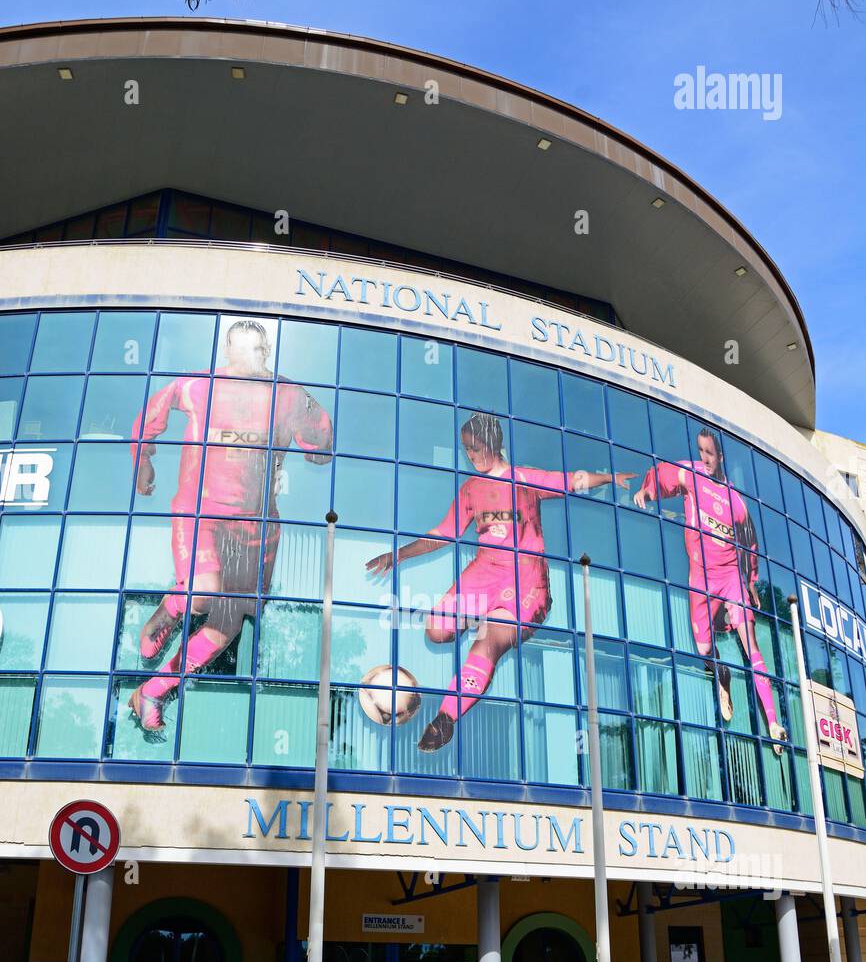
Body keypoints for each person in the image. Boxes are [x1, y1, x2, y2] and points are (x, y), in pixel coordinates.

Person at [366, 411, 633, 751]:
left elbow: (570, 479)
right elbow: (443, 534)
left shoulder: (525, 479)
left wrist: (609, 477)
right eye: (466, 450)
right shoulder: (471, 490)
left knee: (488, 641)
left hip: (524, 581)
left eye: (475, 448)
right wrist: (398, 555)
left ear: (494, 443)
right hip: (483, 573)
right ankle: (477, 619)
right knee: (435, 629)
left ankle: (446, 717)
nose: (471, 456)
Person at [128, 319, 332, 732]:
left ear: (266, 353)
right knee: (203, 593)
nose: (248, 359)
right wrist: (144, 459)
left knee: (228, 624)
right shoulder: (198, 384)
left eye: (256, 351)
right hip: (200, 511)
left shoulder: (287, 393)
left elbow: (324, 442)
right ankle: (167, 613)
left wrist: (316, 446)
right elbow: (153, 412)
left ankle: (154, 689)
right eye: (239, 350)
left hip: (257, 528)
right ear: (225, 351)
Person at [633, 426, 787, 754]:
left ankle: (773, 722)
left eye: (710, 453)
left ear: (721, 456)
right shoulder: (690, 474)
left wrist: (750, 581)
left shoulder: (737, 504)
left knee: (751, 644)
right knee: (704, 648)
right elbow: (663, 477)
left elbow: (750, 544)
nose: (705, 458)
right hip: (701, 580)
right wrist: (647, 491)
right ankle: (722, 679)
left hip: (730, 577)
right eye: (701, 451)